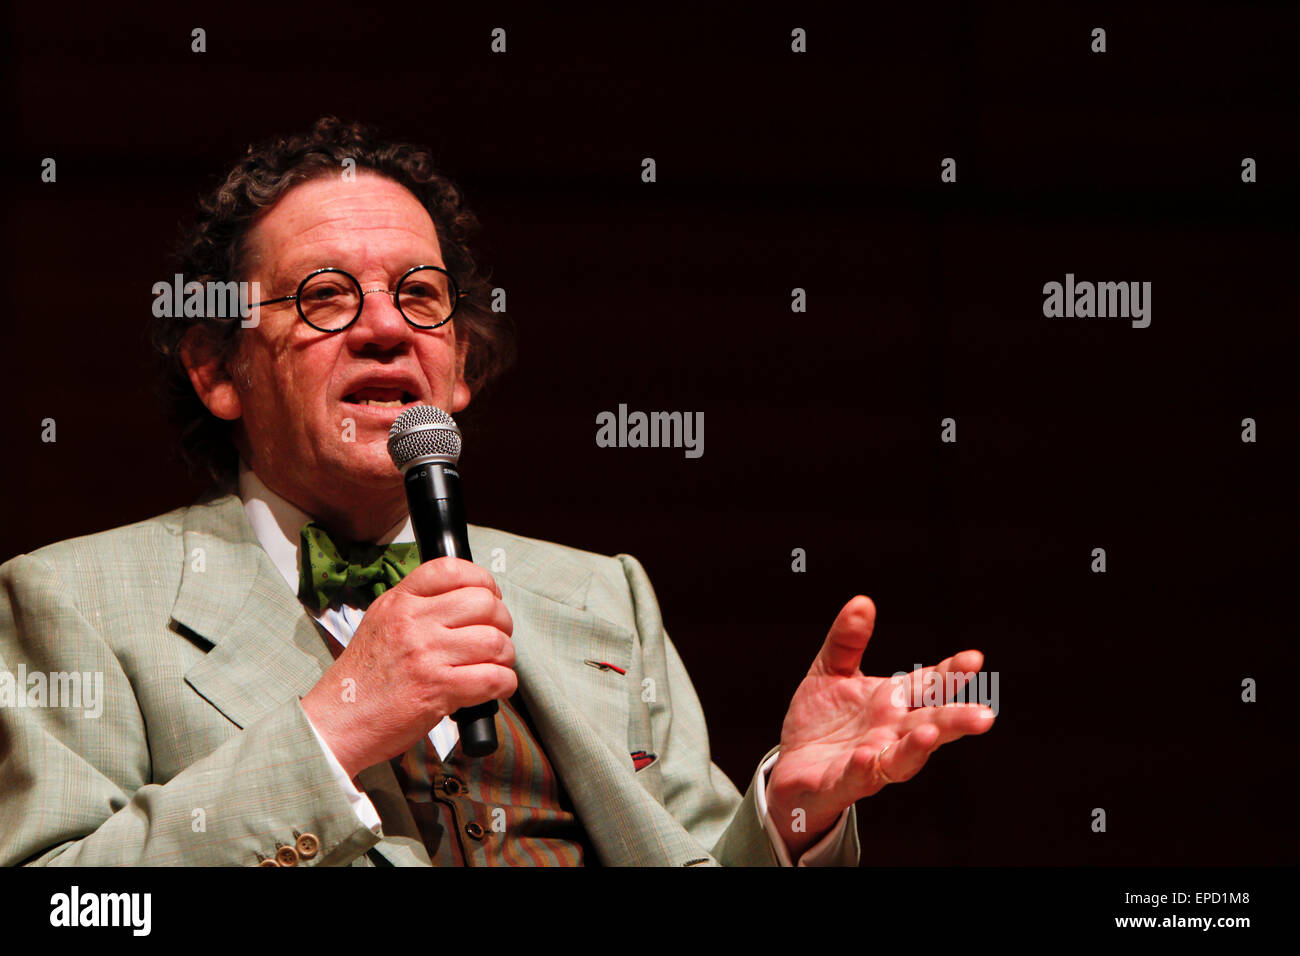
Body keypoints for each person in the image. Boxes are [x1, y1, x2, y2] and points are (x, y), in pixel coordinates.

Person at [0, 117, 995, 867]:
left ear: (460, 366)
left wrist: (792, 809)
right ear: (217, 368)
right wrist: (334, 725)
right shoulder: (72, 601)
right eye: (325, 296)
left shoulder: (604, 597)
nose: (386, 330)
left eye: (421, 296)